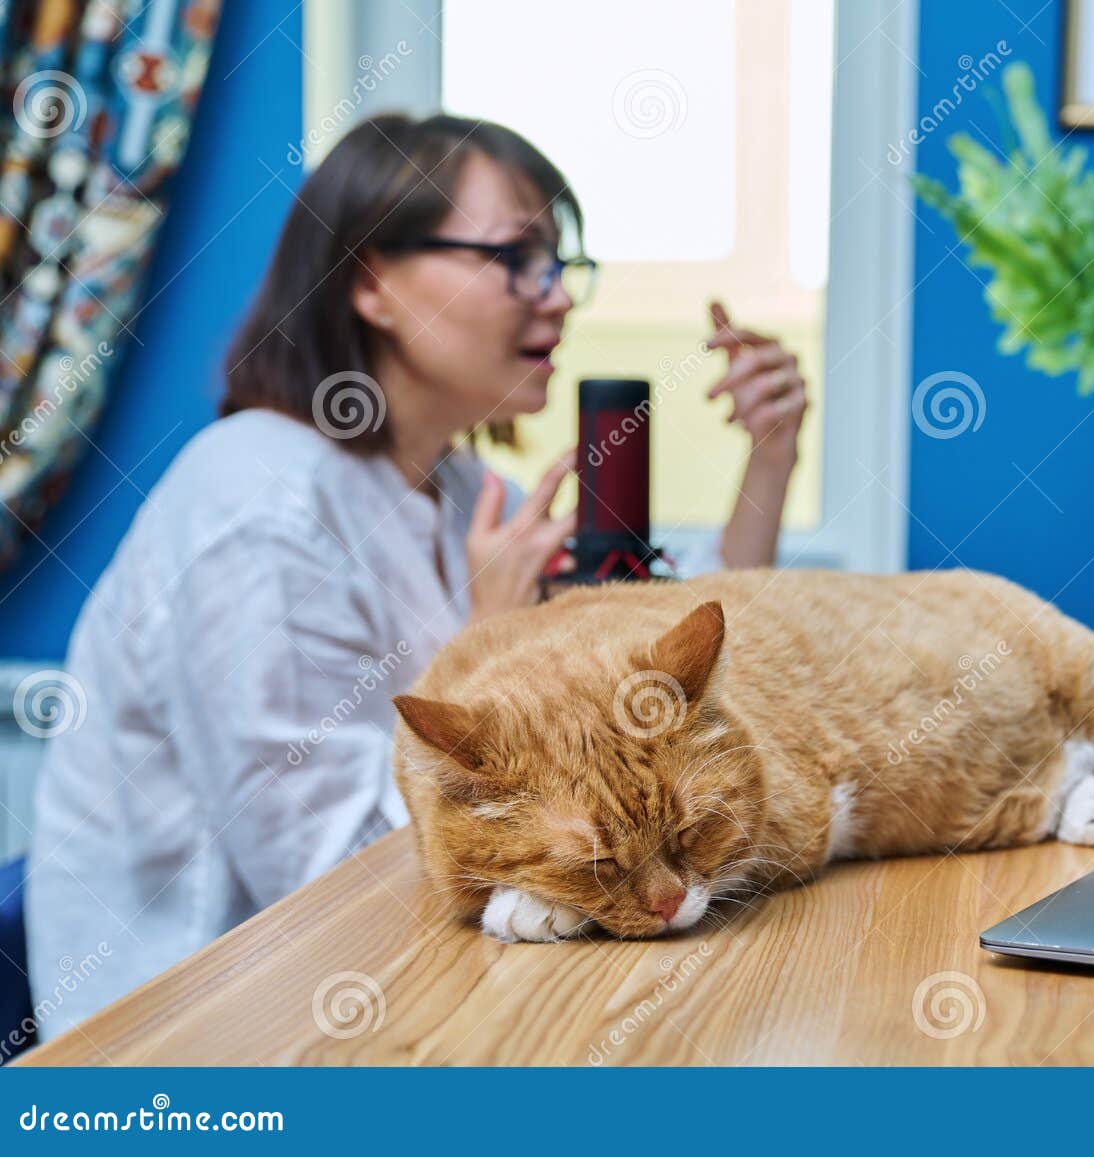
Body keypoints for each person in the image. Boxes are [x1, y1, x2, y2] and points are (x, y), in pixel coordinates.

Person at [23, 113, 808, 1037]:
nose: (556, 298)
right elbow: (324, 877)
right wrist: (480, 642)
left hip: (398, 993)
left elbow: (670, 705)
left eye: (563, 267)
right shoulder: (257, 507)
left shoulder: (464, 490)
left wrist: (770, 459)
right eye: (519, 258)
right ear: (373, 282)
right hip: (212, 1034)